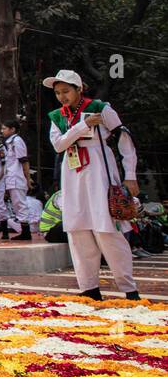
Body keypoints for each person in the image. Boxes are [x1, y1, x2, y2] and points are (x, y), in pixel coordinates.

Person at [44, 69, 141, 300]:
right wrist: (83, 126)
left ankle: (128, 288)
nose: (62, 96)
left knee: (107, 229)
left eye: (66, 91)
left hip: (100, 172)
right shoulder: (57, 116)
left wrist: (130, 175)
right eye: (58, 93)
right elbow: (58, 145)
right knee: (78, 230)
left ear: (79, 89)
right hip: (73, 173)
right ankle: (89, 288)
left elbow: (125, 140)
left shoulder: (100, 107)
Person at [0, 118, 32, 241]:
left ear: (13, 129)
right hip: (12, 177)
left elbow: (24, 160)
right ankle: (24, 231)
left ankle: (26, 232)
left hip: (17, 177)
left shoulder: (17, 141)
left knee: (20, 204)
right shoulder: (9, 143)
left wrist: (28, 179)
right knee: (17, 205)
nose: (2, 131)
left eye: (4, 128)